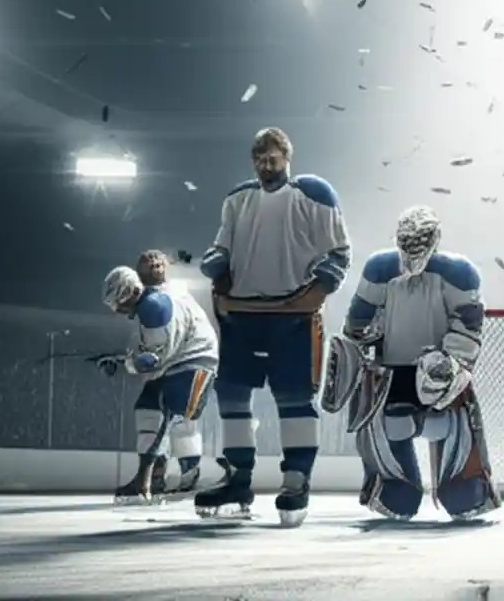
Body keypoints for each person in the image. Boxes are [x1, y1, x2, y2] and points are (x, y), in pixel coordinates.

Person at [194, 127, 351, 526]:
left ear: (287, 157)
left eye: (273, 158)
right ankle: (237, 477)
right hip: (243, 316)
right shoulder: (237, 199)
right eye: (260, 159)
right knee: (230, 397)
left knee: (295, 400)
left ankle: (296, 480)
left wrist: (322, 285)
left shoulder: (313, 194)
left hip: (292, 316)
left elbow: (338, 251)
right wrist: (215, 263)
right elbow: (222, 246)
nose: (266, 165)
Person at [324, 205, 499, 521]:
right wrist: (367, 336)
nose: (414, 250)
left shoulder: (460, 272)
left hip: (443, 371)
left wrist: (449, 362)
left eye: (421, 241)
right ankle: (397, 491)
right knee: (392, 437)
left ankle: (464, 490)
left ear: (434, 240)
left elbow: (468, 326)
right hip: (391, 372)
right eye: (408, 242)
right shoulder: (380, 268)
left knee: (452, 433)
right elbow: (357, 323)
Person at [99, 254, 218, 505]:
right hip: (186, 359)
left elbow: (154, 359)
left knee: (171, 415)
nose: (118, 310)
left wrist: (127, 363)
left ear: (130, 291)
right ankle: (159, 475)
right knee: (150, 410)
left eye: (118, 302)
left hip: (194, 361)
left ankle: (157, 478)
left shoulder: (153, 308)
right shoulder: (158, 298)